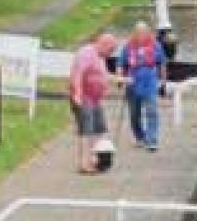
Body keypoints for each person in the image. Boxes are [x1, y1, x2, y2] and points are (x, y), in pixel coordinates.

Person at [69, 32, 118, 174]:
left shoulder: (100, 56)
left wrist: (119, 79)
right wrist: (77, 94)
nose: (110, 54)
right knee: (86, 131)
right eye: (110, 50)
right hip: (84, 98)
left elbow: (101, 75)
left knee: (100, 129)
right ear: (103, 44)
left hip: (95, 99)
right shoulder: (86, 54)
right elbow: (77, 74)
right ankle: (84, 164)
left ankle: (95, 159)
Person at [117, 21, 168, 151]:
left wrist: (163, 82)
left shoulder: (156, 45)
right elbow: (120, 64)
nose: (141, 35)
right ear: (134, 33)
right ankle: (140, 136)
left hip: (149, 83)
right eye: (138, 32)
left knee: (152, 111)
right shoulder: (128, 47)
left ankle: (152, 140)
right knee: (134, 114)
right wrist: (120, 79)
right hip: (132, 83)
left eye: (143, 32)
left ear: (148, 32)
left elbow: (162, 63)